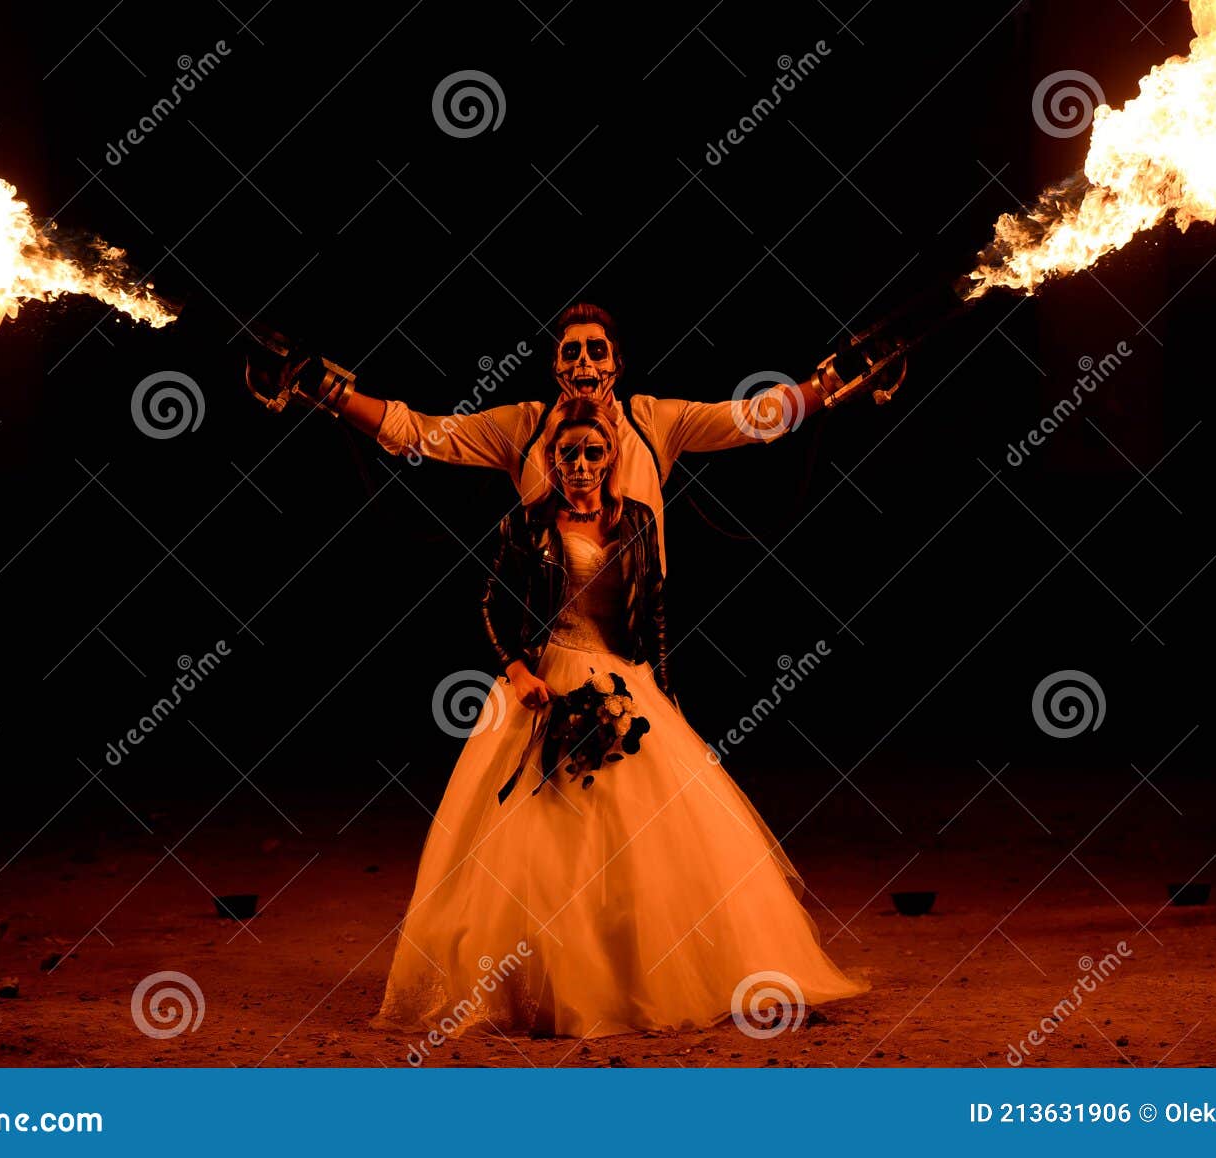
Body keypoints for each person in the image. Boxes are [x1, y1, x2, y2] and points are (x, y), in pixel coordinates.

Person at [372, 396, 868, 1040]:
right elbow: (493, 606)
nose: (579, 464)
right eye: (566, 454)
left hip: (623, 681)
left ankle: (647, 973)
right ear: (551, 461)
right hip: (549, 678)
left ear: (609, 459)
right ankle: (545, 981)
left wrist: (663, 692)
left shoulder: (635, 520)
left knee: (661, 839)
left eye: (592, 452)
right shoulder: (526, 524)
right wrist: (519, 671)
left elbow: (655, 611)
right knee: (543, 839)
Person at [245, 301, 849, 576]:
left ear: (617, 361)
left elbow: (754, 417)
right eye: (572, 350)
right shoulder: (524, 425)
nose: (585, 362)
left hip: (636, 626)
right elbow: (421, 433)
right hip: (544, 625)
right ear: (556, 365)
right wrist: (327, 389)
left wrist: (833, 381)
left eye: (597, 349)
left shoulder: (654, 420)